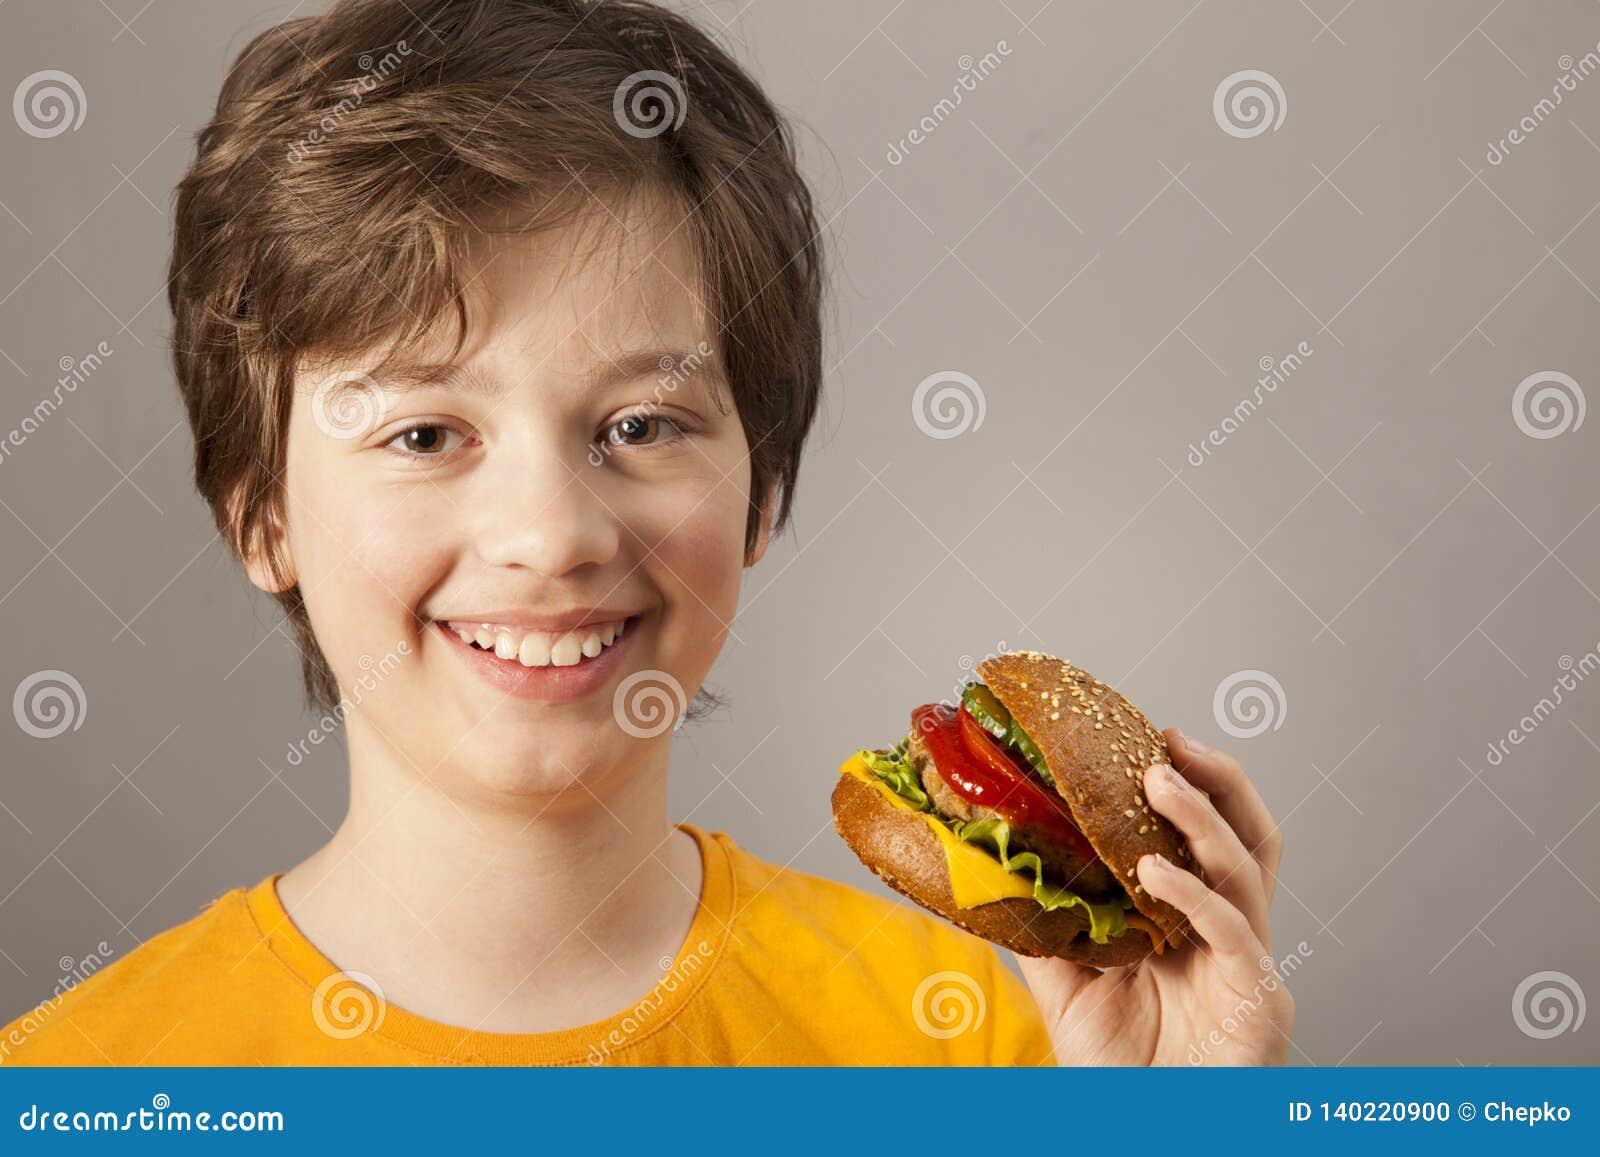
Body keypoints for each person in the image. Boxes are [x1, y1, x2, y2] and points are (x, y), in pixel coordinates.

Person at [1, 0, 1291, 1066]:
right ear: (263, 515)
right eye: (424, 435)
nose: (552, 535)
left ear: (761, 493)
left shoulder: (996, 1042)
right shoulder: (79, 1078)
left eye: (642, 425)